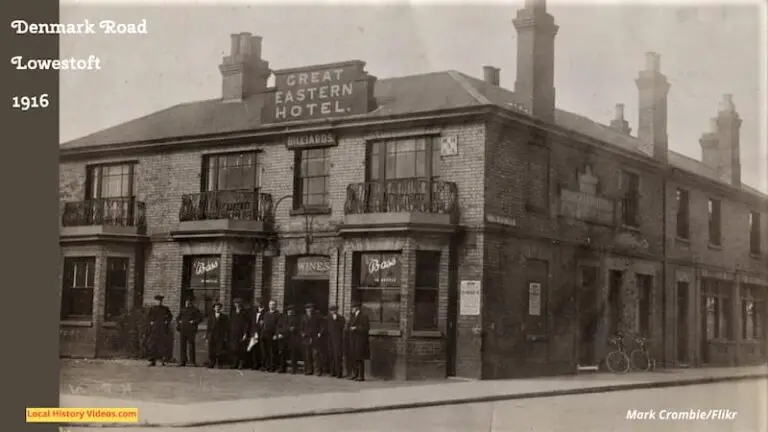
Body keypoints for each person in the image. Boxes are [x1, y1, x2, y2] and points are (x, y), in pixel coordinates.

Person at [175, 296, 203, 367]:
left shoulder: (195, 310)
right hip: (183, 329)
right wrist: (179, 321)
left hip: (191, 329)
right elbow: (178, 318)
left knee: (191, 345)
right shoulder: (183, 310)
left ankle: (192, 361)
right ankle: (183, 361)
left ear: (191, 302)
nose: (187, 303)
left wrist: (193, 321)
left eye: (189, 302)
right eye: (186, 302)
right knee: (182, 345)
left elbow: (200, 318)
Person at [146, 295, 172, 367]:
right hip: (154, 329)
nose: (159, 302)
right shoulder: (152, 309)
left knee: (162, 345)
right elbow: (148, 317)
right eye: (157, 301)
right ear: (155, 301)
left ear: (162, 301)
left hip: (162, 329)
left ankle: (163, 361)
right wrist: (151, 322)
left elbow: (170, 316)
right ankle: (152, 361)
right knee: (153, 345)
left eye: (160, 301)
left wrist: (167, 321)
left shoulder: (165, 309)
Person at [300, 303, 324, 376]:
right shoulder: (303, 317)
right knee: (307, 355)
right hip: (306, 338)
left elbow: (322, 326)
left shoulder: (317, 316)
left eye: (311, 308)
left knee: (315, 355)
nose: (310, 310)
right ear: (306, 309)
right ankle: (308, 370)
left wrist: (320, 333)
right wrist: (302, 333)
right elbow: (301, 328)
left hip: (315, 338)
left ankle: (317, 371)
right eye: (308, 308)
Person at [348, 302, 370, 381]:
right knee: (354, 357)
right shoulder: (352, 316)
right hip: (353, 340)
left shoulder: (364, 317)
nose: (351, 309)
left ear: (357, 308)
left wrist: (356, 328)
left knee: (360, 358)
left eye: (352, 308)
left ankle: (361, 376)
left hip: (360, 341)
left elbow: (366, 328)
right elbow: (349, 325)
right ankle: (355, 374)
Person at [277, 304, 301, 373]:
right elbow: (279, 327)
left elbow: (300, 327)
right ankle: (282, 368)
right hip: (284, 338)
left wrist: (295, 329)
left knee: (293, 354)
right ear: (287, 311)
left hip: (293, 338)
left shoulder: (297, 318)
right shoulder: (283, 318)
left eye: (292, 310)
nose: (290, 311)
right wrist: (285, 330)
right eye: (289, 310)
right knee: (283, 354)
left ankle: (294, 369)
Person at [229, 298, 252, 369]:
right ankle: (235, 363)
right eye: (236, 303)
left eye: (238, 303)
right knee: (234, 349)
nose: (237, 305)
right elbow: (230, 323)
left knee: (241, 349)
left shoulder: (245, 312)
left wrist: (245, 333)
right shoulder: (232, 312)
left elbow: (247, 324)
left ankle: (241, 364)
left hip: (241, 333)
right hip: (234, 333)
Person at [205, 302, 229, 368]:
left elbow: (226, 327)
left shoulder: (224, 317)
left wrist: (225, 336)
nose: (217, 308)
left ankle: (220, 363)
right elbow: (208, 327)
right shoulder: (211, 316)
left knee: (220, 349)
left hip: (220, 335)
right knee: (211, 350)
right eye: (216, 307)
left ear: (221, 308)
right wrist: (207, 335)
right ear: (214, 308)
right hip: (212, 335)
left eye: (219, 307)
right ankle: (212, 362)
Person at [326, 305, 346, 379]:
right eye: (332, 310)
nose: (333, 312)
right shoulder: (328, 318)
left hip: (337, 339)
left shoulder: (341, 318)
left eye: (335, 310)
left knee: (337, 356)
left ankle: (339, 373)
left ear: (337, 310)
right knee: (331, 355)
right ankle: (332, 372)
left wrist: (336, 320)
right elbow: (326, 328)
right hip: (330, 339)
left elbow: (341, 327)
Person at [261, 300, 281, 372]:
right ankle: (267, 366)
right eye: (270, 304)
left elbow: (278, 326)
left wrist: (276, 334)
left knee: (272, 352)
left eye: (273, 304)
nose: (272, 306)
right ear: (268, 305)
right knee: (265, 352)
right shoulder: (266, 314)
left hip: (273, 335)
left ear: (276, 305)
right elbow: (264, 324)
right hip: (265, 335)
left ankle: (272, 367)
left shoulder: (278, 314)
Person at [250, 299, 266, 370]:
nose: (259, 304)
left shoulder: (266, 312)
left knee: (262, 349)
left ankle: (262, 365)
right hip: (254, 332)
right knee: (254, 348)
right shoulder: (254, 311)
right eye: (258, 302)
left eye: (260, 302)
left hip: (262, 333)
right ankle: (255, 365)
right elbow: (252, 322)